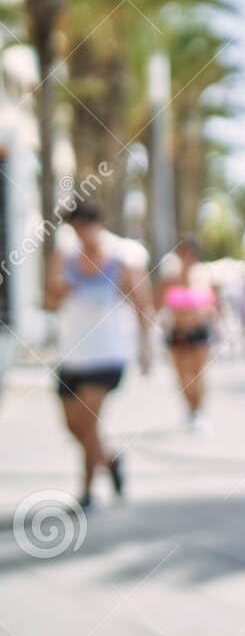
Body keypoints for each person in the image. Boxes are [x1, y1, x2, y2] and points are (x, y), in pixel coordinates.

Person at [43, 201, 154, 509]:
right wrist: (59, 291)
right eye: (75, 227)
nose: (80, 232)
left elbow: (142, 303)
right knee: (72, 425)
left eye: (84, 225)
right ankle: (111, 460)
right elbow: (48, 299)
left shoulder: (122, 258)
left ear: (96, 224)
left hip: (108, 354)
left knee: (89, 422)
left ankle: (88, 492)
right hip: (71, 354)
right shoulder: (64, 257)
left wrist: (147, 350)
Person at [158, 236, 218, 430]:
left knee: (197, 374)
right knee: (182, 376)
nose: (187, 257)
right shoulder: (169, 278)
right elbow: (159, 304)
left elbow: (212, 306)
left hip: (198, 331)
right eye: (183, 253)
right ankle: (190, 408)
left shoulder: (204, 276)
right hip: (177, 332)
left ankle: (198, 410)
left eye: (190, 254)